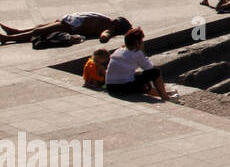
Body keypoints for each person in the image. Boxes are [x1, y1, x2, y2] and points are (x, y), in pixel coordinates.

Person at [105, 28, 175, 100]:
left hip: (111, 87)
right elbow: (150, 68)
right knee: (155, 72)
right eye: (141, 41)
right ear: (137, 42)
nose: (143, 42)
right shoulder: (136, 53)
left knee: (139, 78)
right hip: (123, 88)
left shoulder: (119, 50)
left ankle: (165, 93)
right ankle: (165, 97)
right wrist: (142, 51)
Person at [1, 13, 130, 45]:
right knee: (40, 27)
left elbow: (106, 33)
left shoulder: (109, 27)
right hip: (68, 20)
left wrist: (104, 37)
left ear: (118, 26)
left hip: (68, 26)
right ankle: (15, 32)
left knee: (38, 32)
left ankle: (8, 38)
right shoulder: (107, 20)